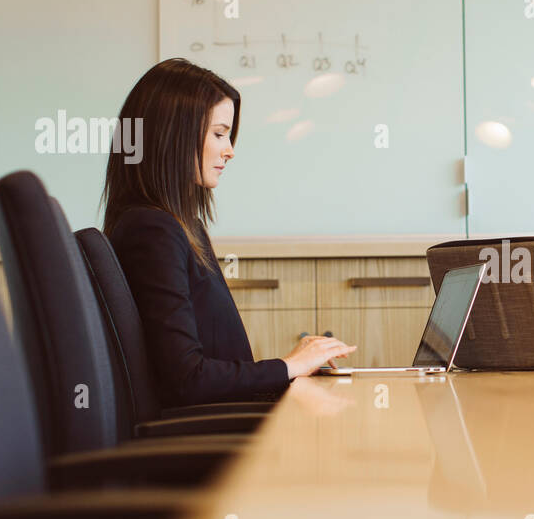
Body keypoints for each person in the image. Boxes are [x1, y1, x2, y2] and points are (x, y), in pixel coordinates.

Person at [100, 58, 354, 406]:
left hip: (226, 419)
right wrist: (287, 366)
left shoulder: (177, 227)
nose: (229, 150)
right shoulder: (153, 231)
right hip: (213, 435)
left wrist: (289, 366)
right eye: (219, 134)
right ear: (172, 134)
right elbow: (187, 379)